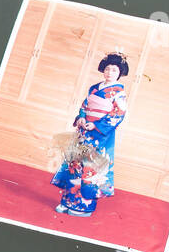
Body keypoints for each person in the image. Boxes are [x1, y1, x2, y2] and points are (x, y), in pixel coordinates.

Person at [52, 52, 129, 215]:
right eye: (107, 69)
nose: (110, 73)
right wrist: (80, 117)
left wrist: (96, 125)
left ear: (120, 73)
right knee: (75, 164)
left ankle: (84, 206)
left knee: (91, 167)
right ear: (103, 70)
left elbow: (118, 113)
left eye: (114, 70)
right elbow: (84, 106)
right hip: (83, 131)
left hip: (100, 134)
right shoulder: (94, 88)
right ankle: (67, 201)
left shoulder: (119, 93)